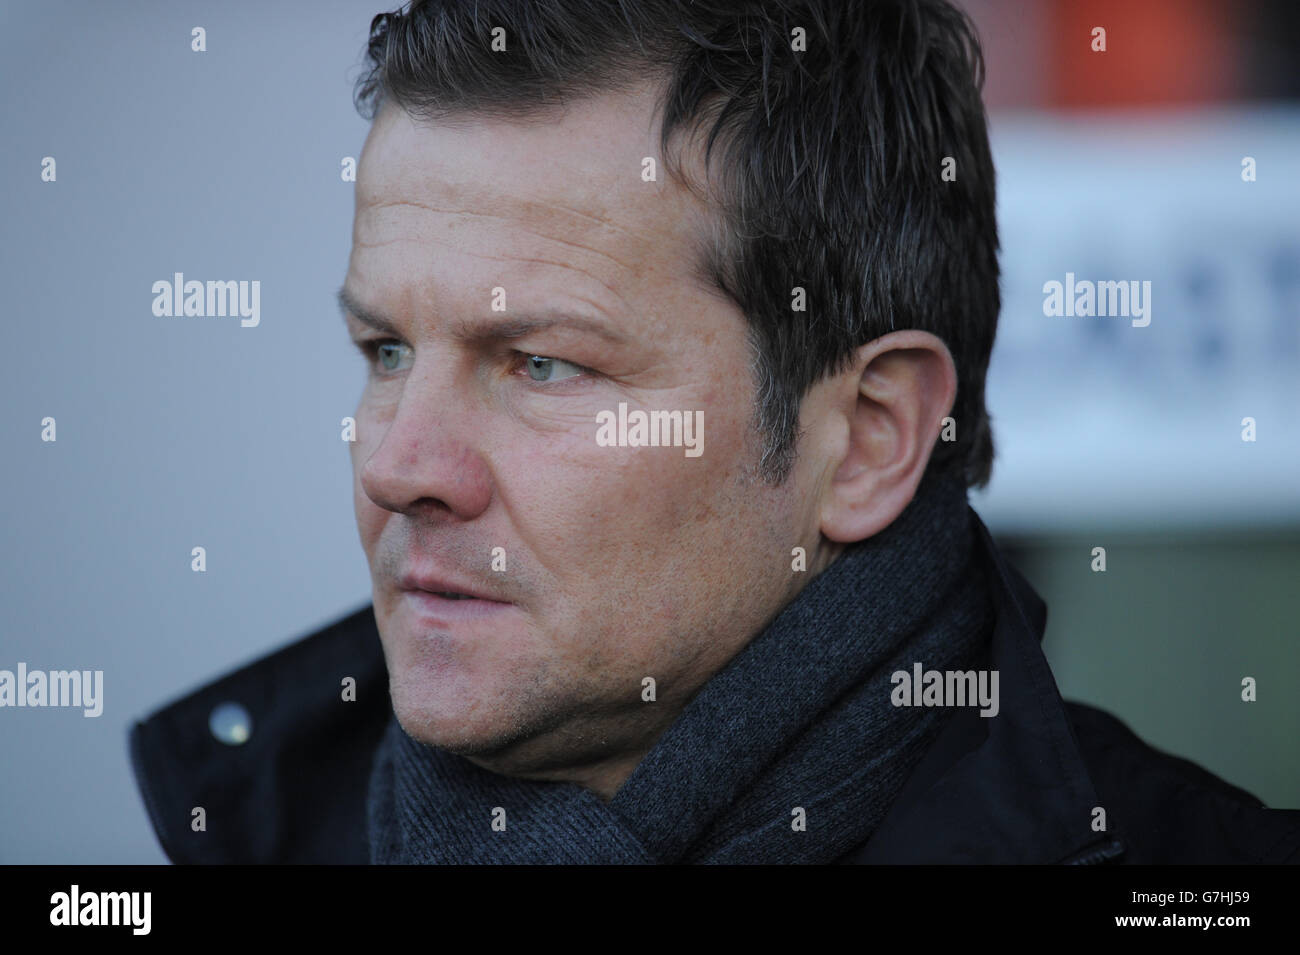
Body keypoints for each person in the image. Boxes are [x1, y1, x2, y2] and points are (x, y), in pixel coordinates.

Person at [129, 0, 1300, 864]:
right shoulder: (243, 825)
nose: (397, 466)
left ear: (870, 437)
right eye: (385, 351)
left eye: (542, 364)